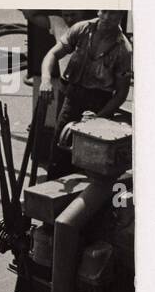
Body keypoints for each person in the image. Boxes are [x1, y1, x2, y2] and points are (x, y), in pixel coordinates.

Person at [40, 10, 132, 178]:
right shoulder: (82, 29)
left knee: (90, 160)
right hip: (72, 97)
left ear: (121, 17)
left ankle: (82, 201)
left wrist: (99, 117)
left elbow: (121, 93)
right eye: (104, 12)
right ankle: (51, 196)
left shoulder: (123, 49)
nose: (106, 18)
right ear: (99, 10)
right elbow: (52, 54)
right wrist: (45, 80)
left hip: (99, 104)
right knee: (60, 150)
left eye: (113, 14)